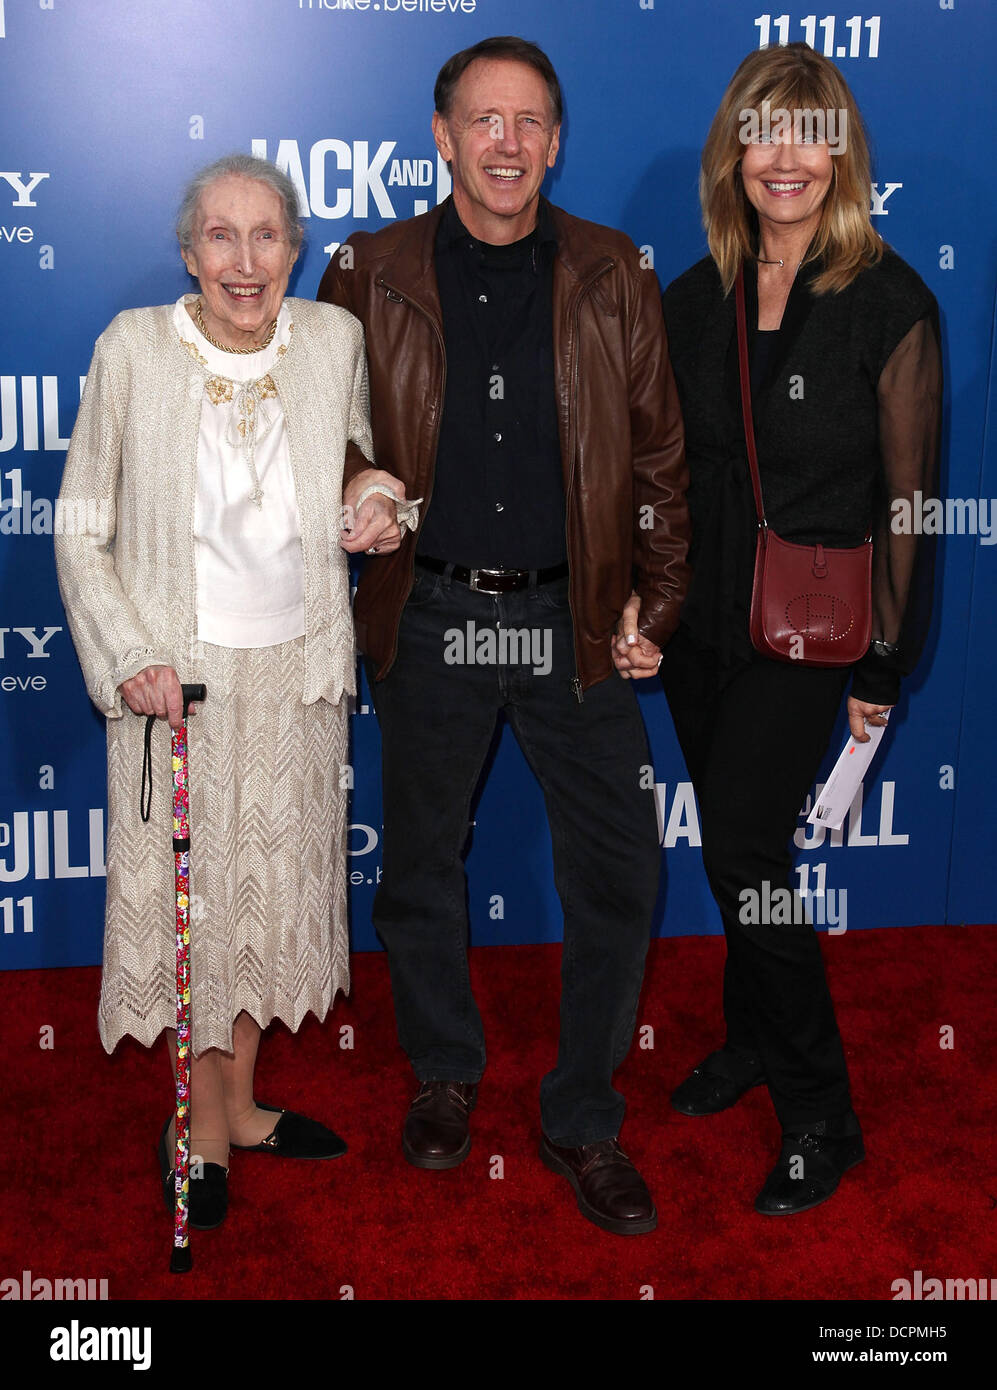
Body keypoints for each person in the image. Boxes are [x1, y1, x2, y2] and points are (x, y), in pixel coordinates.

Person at [319, 36, 689, 1237]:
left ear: (556, 142)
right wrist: (359, 479)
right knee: (421, 858)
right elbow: (316, 432)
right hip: (427, 611)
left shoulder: (608, 270)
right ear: (441, 136)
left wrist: (656, 599)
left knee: (622, 870)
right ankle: (442, 1067)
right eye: (484, 119)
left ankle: (581, 1112)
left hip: (567, 616)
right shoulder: (368, 270)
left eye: (530, 121)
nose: (508, 142)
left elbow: (656, 453)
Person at [616, 44, 941, 1214]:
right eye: (764, 131)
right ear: (733, 152)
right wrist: (642, 603)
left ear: (841, 152)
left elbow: (909, 502)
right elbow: (662, 472)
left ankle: (821, 1111)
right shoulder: (694, 295)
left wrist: (887, 663)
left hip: (812, 634)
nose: (786, 157)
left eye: (810, 132)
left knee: (746, 848)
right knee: (739, 846)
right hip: (701, 625)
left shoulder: (889, 299)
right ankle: (754, 1038)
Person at [55, 153, 405, 1231]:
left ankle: (243, 1106)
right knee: (195, 922)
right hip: (179, 687)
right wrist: (126, 655)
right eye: (221, 236)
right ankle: (198, 1131)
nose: (244, 262)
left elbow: (359, 462)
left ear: (295, 250)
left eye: (267, 238)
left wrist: (382, 498)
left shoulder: (331, 343)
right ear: (186, 250)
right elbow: (81, 523)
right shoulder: (131, 349)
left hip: (295, 680)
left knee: (269, 911)